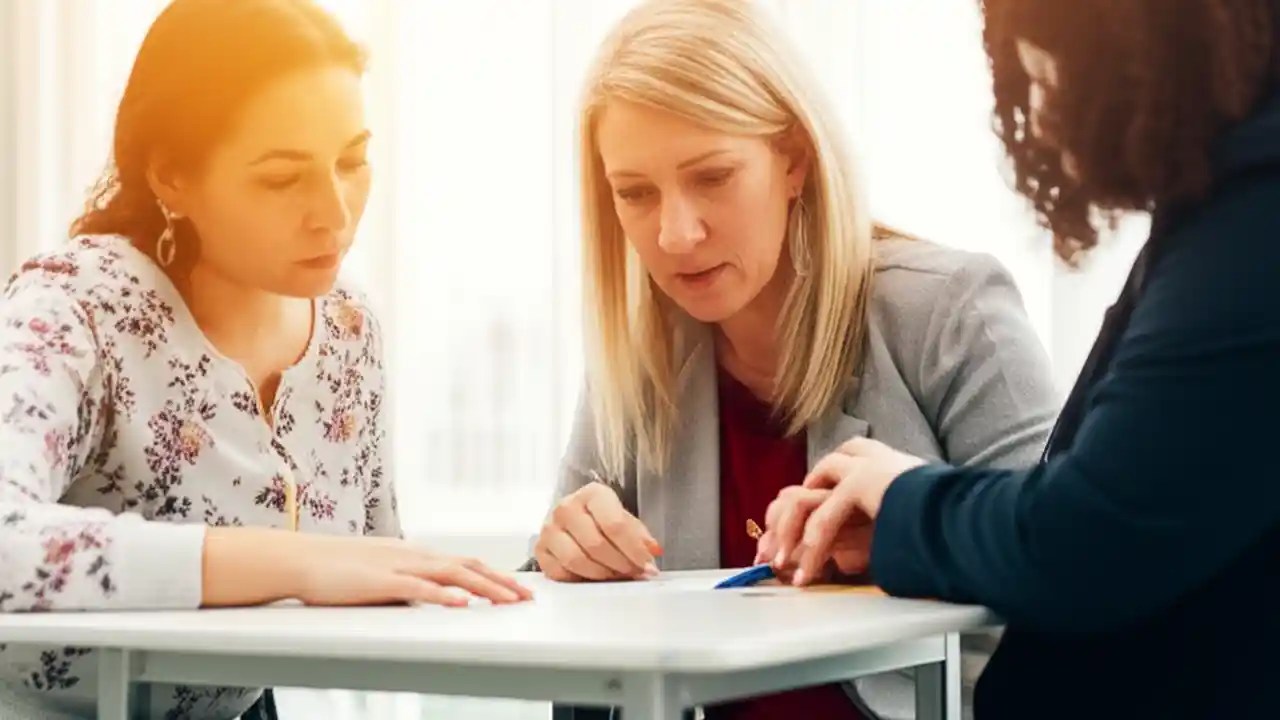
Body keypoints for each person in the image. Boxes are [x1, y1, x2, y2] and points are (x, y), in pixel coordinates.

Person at [0, 1, 531, 718]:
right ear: (172, 177)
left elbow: (381, 564)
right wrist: (291, 562)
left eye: (351, 161)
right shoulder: (74, 306)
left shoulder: (348, 327)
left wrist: (554, 564)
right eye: (283, 178)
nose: (335, 215)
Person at [528, 1, 1059, 718]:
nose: (677, 233)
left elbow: (1068, 587)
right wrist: (562, 562)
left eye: (712, 176)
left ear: (794, 163)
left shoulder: (948, 313)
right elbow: (556, 646)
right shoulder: (639, 359)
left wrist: (914, 540)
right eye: (635, 193)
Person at [760, 1, 1280, 718]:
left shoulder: (1251, 229)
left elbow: (1087, 538)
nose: (1038, 116)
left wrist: (904, 495)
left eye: (1042, 72)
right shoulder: (1223, 213)